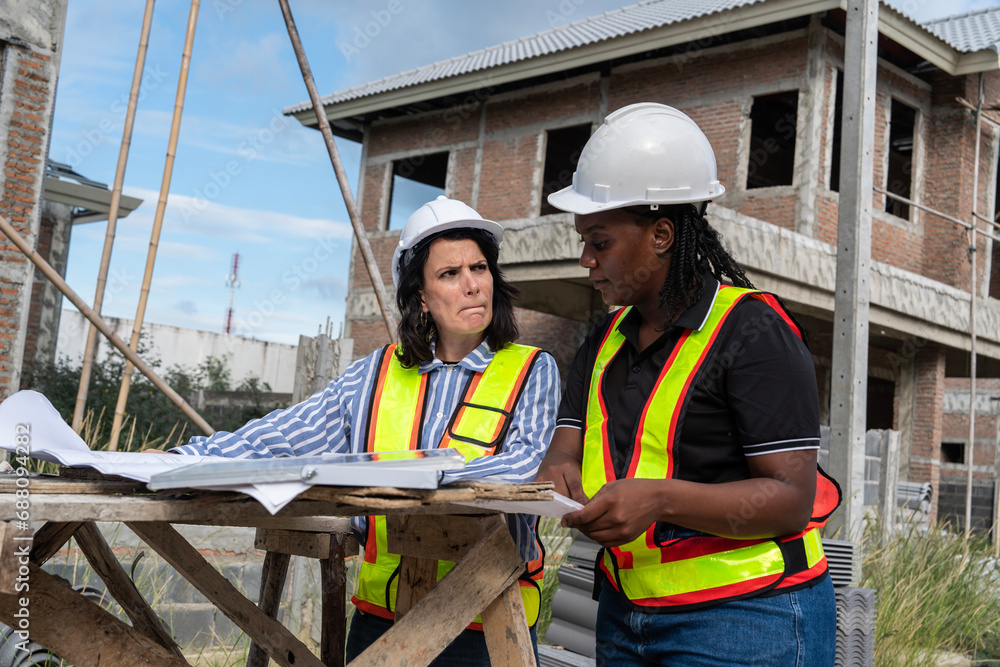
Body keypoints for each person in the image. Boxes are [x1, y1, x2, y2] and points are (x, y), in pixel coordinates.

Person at [172, 196, 560, 666]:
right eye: (449, 274)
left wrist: (413, 474)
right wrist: (182, 458)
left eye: (479, 268)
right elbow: (282, 436)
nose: (472, 285)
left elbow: (521, 468)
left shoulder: (531, 369)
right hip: (381, 619)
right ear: (420, 295)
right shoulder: (375, 374)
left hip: (486, 620)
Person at [535, 103, 841, 666]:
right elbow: (563, 455)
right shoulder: (603, 341)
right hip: (625, 614)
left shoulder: (754, 334)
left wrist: (658, 499)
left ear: (662, 234)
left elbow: (792, 502)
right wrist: (558, 481)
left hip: (748, 619)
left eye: (599, 241)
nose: (585, 259)